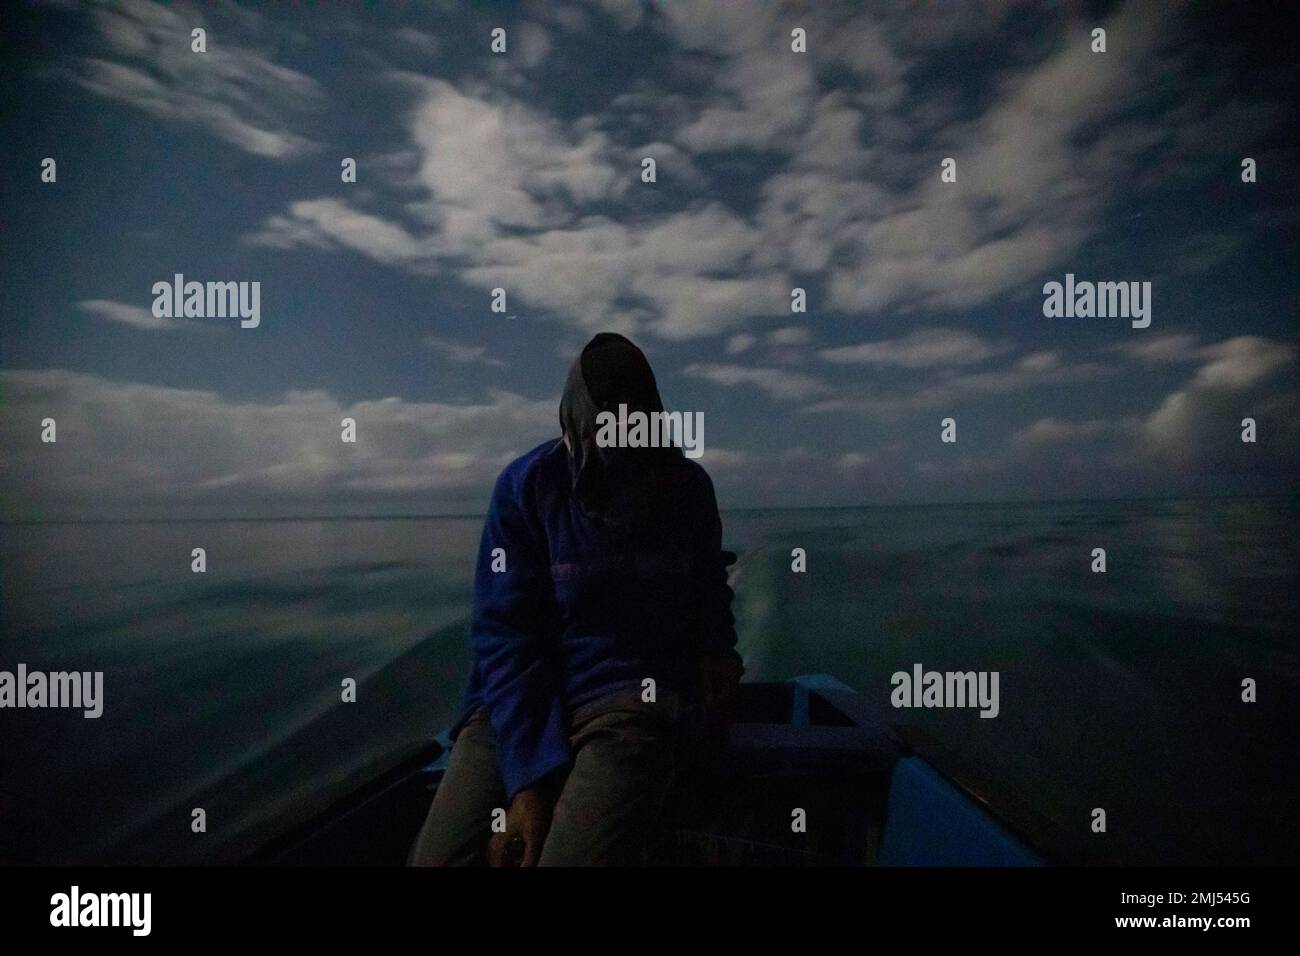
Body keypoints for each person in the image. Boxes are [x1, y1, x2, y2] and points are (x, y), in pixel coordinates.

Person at [410, 332, 743, 866]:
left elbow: (706, 577)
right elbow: (506, 637)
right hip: (514, 705)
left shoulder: (685, 487)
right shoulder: (524, 489)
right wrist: (529, 783)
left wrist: (716, 646)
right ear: (573, 426)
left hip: (631, 698)